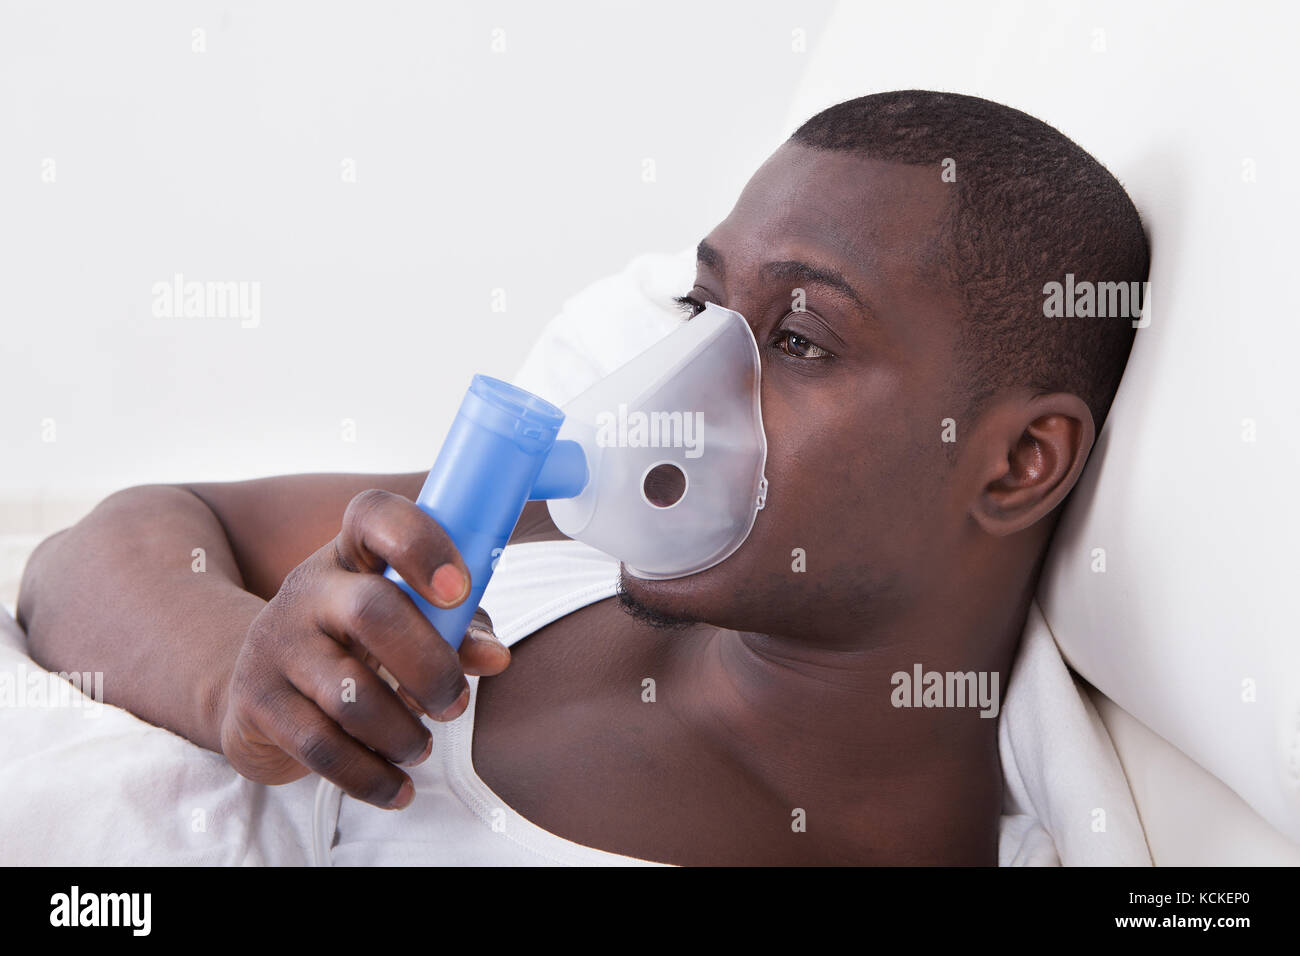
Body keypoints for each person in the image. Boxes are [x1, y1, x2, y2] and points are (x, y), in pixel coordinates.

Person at [16, 90, 1149, 865]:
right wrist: (234, 677)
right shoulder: (542, 539)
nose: (674, 385)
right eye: (701, 311)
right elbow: (105, 546)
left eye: (799, 341)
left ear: (1015, 464)